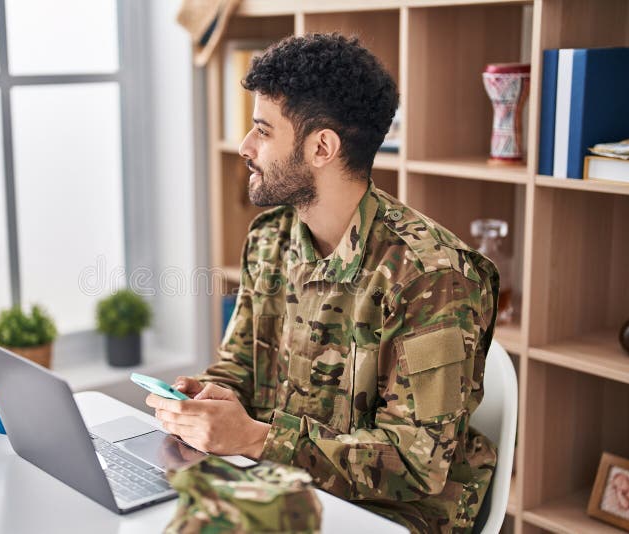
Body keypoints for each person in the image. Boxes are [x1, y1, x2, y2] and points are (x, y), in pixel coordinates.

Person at [146, 33, 499, 533]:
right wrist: (208, 399)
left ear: (322, 147)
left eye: (262, 131)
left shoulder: (433, 277)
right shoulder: (271, 238)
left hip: (393, 515)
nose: (246, 147)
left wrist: (256, 438)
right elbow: (240, 364)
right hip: (282, 484)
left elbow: (416, 465)